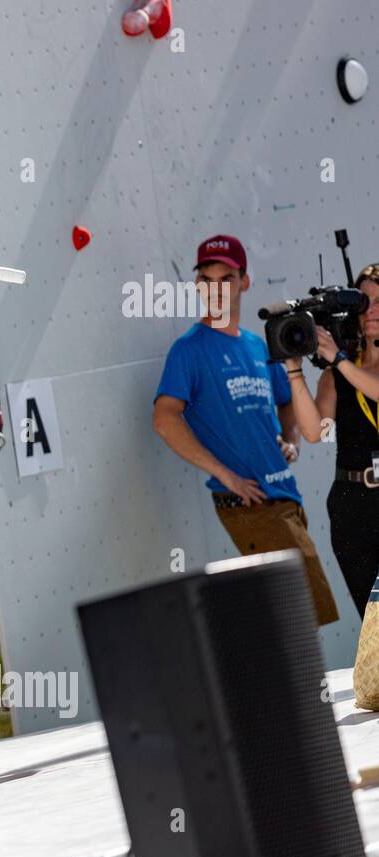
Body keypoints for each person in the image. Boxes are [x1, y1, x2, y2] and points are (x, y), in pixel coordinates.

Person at [152, 234, 339, 627]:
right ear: (197, 285)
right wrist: (225, 475)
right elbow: (165, 418)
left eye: (226, 278)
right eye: (207, 279)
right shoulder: (189, 350)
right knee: (302, 617)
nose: (215, 289)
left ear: (244, 282)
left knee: (298, 618)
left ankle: (298, 689)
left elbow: (286, 402)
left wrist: (290, 439)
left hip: (285, 496)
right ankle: (303, 691)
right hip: (252, 505)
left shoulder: (258, 345)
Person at [280, 263, 379, 616]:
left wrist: (338, 360)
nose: (373, 311)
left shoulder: (342, 367)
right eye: (365, 302)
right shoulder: (338, 373)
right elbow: (315, 431)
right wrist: (294, 370)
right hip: (353, 504)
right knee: (374, 626)